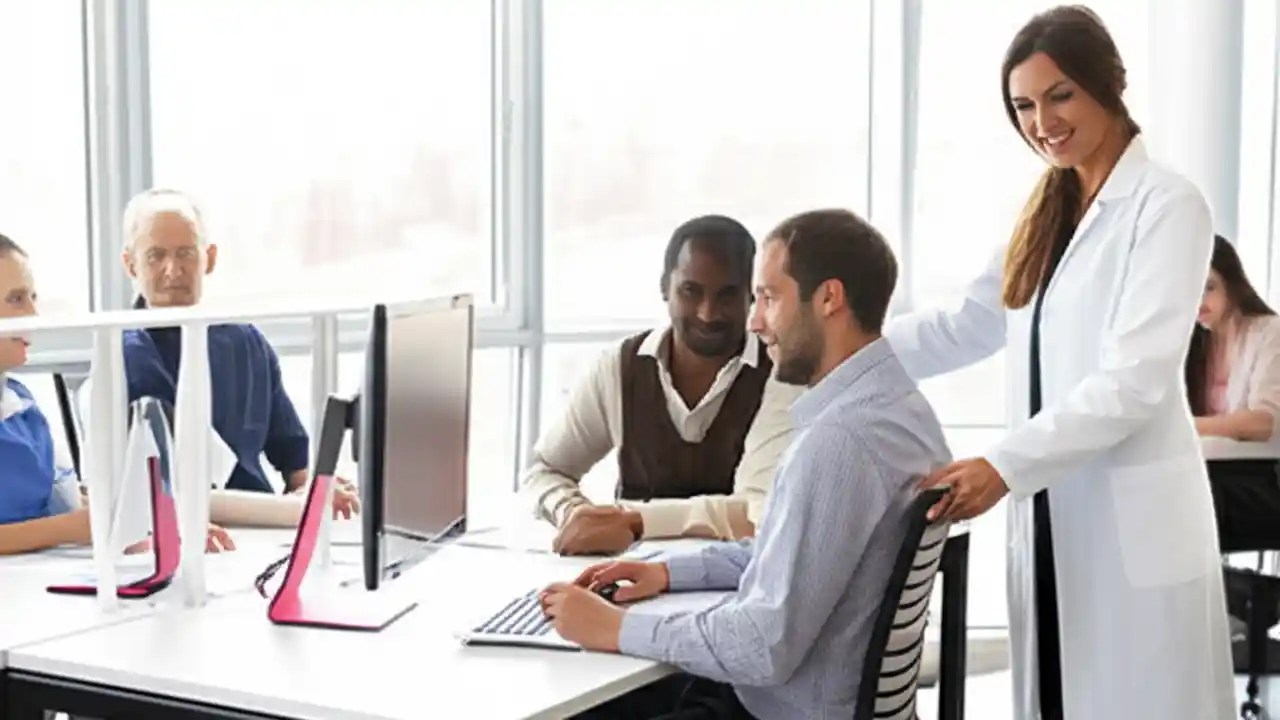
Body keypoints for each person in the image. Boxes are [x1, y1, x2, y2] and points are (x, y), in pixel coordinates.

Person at [883, 6, 1233, 718]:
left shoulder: (1167, 205)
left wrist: (1004, 465)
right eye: (1023, 105)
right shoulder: (1045, 210)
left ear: (1108, 83)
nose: (1042, 121)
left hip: (1126, 523)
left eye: (1060, 94)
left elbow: (1134, 381)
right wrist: (845, 352)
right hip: (1053, 517)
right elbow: (967, 326)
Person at [539, 209, 950, 718]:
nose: (754, 321)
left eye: (769, 298)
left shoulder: (839, 442)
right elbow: (789, 553)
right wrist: (667, 572)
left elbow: (762, 647)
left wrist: (614, 628)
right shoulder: (900, 411)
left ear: (828, 299)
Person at [523, 215, 800, 555]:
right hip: (624, 581)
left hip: (730, 586)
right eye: (690, 291)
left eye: (727, 295)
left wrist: (631, 520)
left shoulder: (782, 373)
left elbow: (757, 511)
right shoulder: (619, 369)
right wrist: (572, 511)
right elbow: (546, 470)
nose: (707, 313)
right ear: (664, 287)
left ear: (751, 297)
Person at [118, 188, 358, 525]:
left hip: (271, 528)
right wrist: (305, 507)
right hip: (203, 533)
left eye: (185, 253)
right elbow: (176, 490)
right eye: (155, 256)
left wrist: (320, 491)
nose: (173, 270)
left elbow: (293, 459)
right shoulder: (129, 356)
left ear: (209, 258)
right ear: (130, 264)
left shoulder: (246, 342)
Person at [0, 233, 233, 554]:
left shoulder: (20, 404)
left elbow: (63, 499)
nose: (33, 315)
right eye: (15, 300)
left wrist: (162, 523)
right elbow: (70, 523)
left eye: (32, 298)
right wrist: (76, 528)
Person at [1187, 235, 1280, 442]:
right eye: (1190, 291)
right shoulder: (1192, 342)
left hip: (1256, 469)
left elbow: (1264, 423)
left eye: (1209, 287)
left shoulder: (1270, 332)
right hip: (1205, 466)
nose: (1198, 301)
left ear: (1231, 283)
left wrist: (1185, 426)